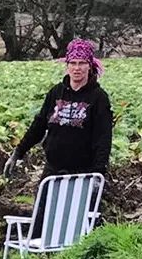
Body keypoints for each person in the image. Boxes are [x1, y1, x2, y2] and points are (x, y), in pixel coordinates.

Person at [6, 38, 113, 180]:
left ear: (90, 66)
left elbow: (103, 139)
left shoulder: (99, 98)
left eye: (82, 63)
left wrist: (98, 175)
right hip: (53, 169)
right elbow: (38, 126)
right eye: (73, 63)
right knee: (44, 202)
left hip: (83, 172)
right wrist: (18, 152)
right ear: (67, 65)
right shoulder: (56, 92)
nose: (77, 68)